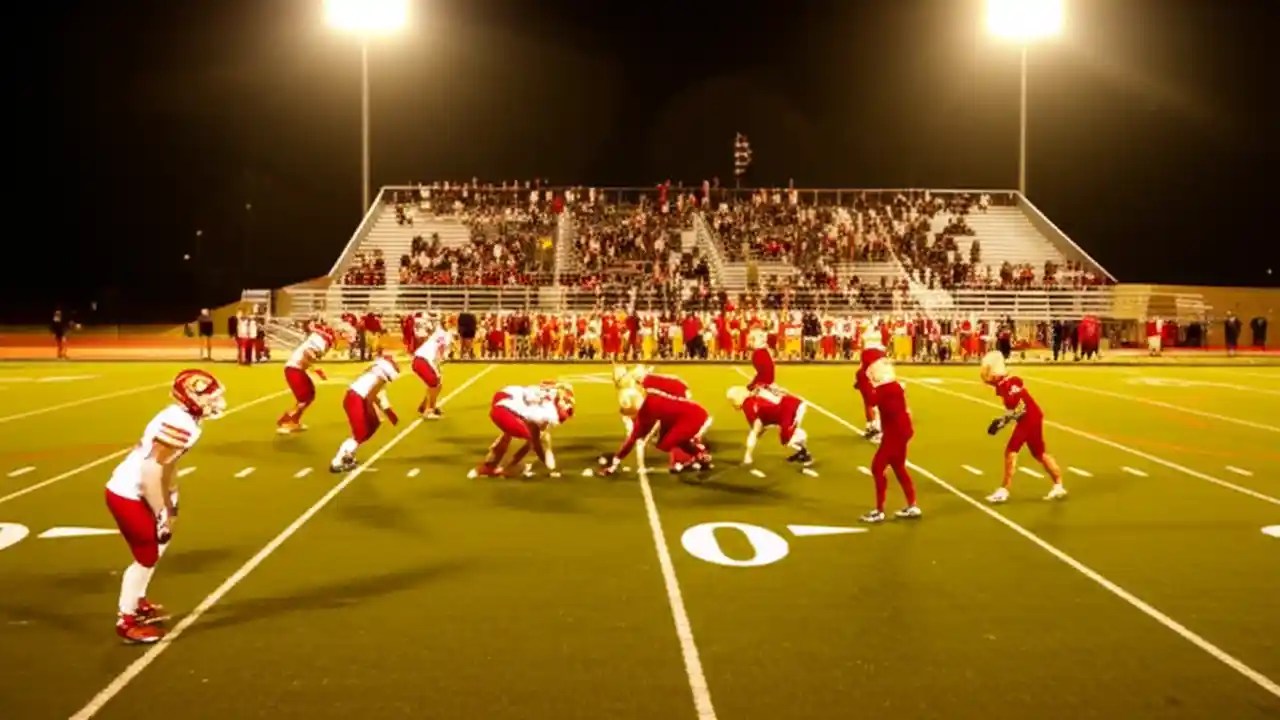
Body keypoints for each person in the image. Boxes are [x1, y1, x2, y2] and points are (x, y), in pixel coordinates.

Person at [104, 369, 227, 643]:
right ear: (190, 398)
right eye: (209, 397)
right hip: (128, 493)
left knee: (160, 543)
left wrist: (172, 497)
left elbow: (168, 463)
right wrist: (161, 511)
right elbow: (150, 469)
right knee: (147, 554)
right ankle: (127, 619)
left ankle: (137, 599)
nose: (216, 402)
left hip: (140, 489)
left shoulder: (185, 419)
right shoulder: (180, 423)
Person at [979, 351, 1067, 503]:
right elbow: (1016, 407)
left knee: (1011, 451)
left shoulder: (1006, 385)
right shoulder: (1006, 383)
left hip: (1028, 418)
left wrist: (1003, 421)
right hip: (1032, 416)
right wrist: (1004, 420)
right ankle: (1058, 484)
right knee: (1040, 453)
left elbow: (1020, 408)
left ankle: (1004, 490)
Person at [597, 384, 712, 476]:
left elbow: (632, 439)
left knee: (667, 443)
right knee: (664, 441)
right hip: (683, 415)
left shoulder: (647, 410)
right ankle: (700, 454)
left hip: (692, 417)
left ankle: (699, 452)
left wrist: (616, 460)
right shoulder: (649, 397)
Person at [859, 357, 920, 523]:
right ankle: (912, 504)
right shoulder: (894, 386)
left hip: (895, 432)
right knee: (898, 467)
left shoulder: (885, 389)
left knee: (877, 467)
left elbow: (871, 401)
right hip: (902, 430)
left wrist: (863, 382)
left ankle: (879, 511)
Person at [473, 383, 574, 478]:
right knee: (526, 439)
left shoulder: (552, 393)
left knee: (515, 433)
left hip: (506, 395)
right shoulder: (550, 414)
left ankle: (490, 465)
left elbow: (543, 386)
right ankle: (507, 468)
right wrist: (550, 467)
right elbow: (536, 441)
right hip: (504, 408)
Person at [330, 356, 401, 473]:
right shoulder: (380, 377)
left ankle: (348, 455)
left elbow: (378, 396)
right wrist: (376, 413)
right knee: (362, 431)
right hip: (356, 399)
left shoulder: (374, 374)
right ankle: (337, 461)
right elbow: (370, 397)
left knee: (371, 426)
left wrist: (389, 413)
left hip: (355, 398)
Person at [725, 385, 813, 466]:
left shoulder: (748, 404)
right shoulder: (754, 396)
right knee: (788, 436)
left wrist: (748, 455)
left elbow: (756, 428)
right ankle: (801, 451)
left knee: (786, 439)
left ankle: (805, 455)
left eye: (733, 400)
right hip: (791, 406)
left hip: (790, 409)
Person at [277, 324, 335, 433]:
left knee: (309, 395)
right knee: (305, 398)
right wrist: (315, 369)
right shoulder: (320, 343)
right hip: (294, 369)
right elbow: (306, 354)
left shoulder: (316, 339)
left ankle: (293, 419)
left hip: (295, 369)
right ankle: (287, 421)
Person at [412, 314, 451, 418]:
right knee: (434, 383)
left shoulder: (445, 333)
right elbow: (441, 349)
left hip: (425, 360)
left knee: (438, 383)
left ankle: (424, 406)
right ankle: (430, 410)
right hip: (422, 359)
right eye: (448, 322)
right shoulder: (441, 333)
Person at [853, 325, 885, 443]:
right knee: (876, 404)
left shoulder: (866, 352)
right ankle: (875, 429)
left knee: (868, 404)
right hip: (869, 377)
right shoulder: (878, 353)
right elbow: (877, 369)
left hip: (862, 375)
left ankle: (869, 426)